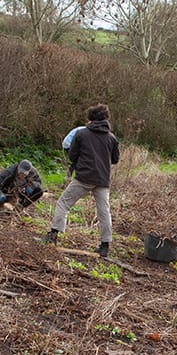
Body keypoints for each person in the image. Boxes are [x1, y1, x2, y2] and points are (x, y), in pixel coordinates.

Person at [44, 104, 119, 256]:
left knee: (63, 203)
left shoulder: (82, 134)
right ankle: (105, 246)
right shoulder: (112, 138)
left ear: (90, 118)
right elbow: (115, 160)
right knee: (104, 212)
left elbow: (72, 155)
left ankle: (53, 236)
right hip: (103, 180)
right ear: (106, 118)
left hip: (84, 177)